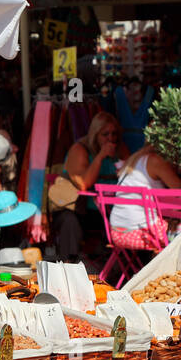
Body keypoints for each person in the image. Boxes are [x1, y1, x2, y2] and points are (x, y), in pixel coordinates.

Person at [52, 112, 128, 263]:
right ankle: (69, 265)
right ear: (95, 134)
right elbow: (83, 183)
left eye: (114, 134)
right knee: (70, 222)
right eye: (105, 134)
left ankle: (120, 266)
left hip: (109, 209)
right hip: (79, 209)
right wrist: (100, 156)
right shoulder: (80, 149)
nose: (111, 138)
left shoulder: (120, 148)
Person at [109, 144, 181, 246]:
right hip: (142, 232)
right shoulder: (155, 160)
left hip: (116, 232)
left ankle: (157, 260)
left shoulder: (135, 159)